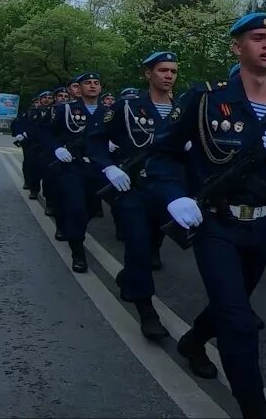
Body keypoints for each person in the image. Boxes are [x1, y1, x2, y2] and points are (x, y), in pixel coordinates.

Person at [147, 12, 266, 419]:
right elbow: (163, 155)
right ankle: (254, 409)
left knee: (233, 304)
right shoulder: (207, 99)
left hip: (263, 227)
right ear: (237, 47)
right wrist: (175, 196)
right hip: (216, 224)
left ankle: (194, 341)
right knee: (239, 321)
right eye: (258, 37)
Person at [87, 51, 181, 341]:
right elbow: (95, 140)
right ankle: (147, 311)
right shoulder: (128, 107)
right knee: (138, 248)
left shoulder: (183, 110)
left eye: (173, 71)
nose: (168, 76)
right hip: (134, 189)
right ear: (148, 74)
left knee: (154, 243)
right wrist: (109, 168)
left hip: (169, 191)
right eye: (162, 70)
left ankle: (130, 278)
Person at [36, 72, 109, 272]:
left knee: (92, 209)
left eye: (96, 83)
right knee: (75, 208)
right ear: (78, 88)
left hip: (97, 169)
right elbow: (43, 132)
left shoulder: (109, 112)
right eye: (88, 83)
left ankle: (72, 226)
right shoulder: (64, 110)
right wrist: (56, 148)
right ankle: (78, 252)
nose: (93, 86)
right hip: (72, 167)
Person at [13, 90, 54, 200]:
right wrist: (21, 134)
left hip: (48, 146)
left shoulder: (55, 112)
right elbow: (22, 124)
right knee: (33, 168)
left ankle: (49, 197)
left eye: (50, 98)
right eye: (44, 98)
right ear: (40, 100)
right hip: (33, 144)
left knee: (48, 172)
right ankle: (34, 190)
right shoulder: (32, 112)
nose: (47, 100)